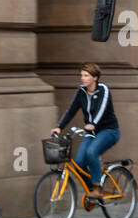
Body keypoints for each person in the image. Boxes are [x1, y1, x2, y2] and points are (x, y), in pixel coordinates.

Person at [51, 63, 119, 203]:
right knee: (79, 162)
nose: (82, 78)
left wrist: (93, 123)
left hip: (109, 130)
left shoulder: (103, 89)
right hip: (91, 132)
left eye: (86, 75)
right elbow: (71, 110)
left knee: (92, 152)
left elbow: (102, 108)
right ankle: (92, 192)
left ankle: (97, 187)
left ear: (95, 77)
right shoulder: (81, 91)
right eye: (81, 75)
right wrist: (59, 127)